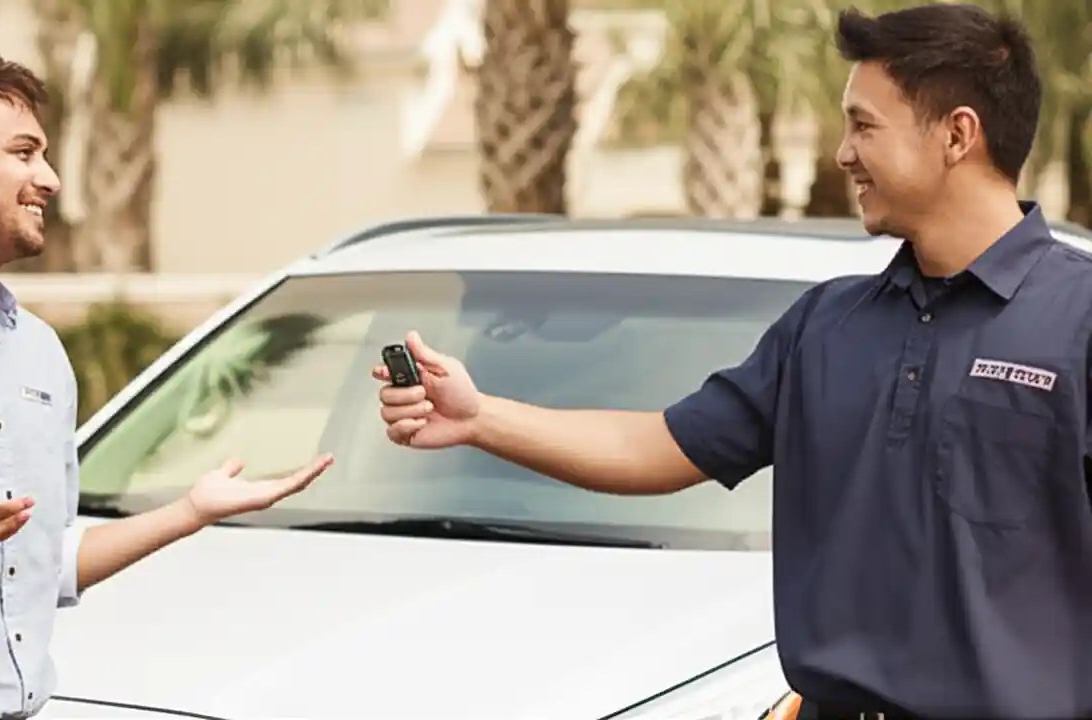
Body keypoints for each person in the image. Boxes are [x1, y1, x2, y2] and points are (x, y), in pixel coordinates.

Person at [375, 4, 1092, 720]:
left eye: (864, 124)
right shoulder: (827, 325)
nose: (844, 153)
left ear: (957, 135)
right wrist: (479, 417)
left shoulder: (1079, 319)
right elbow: (656, 445)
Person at [0, 52, 333, 719]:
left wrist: (190, 511)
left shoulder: (37, 354)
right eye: (24, 153)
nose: (50, 179)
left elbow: (38, 562)